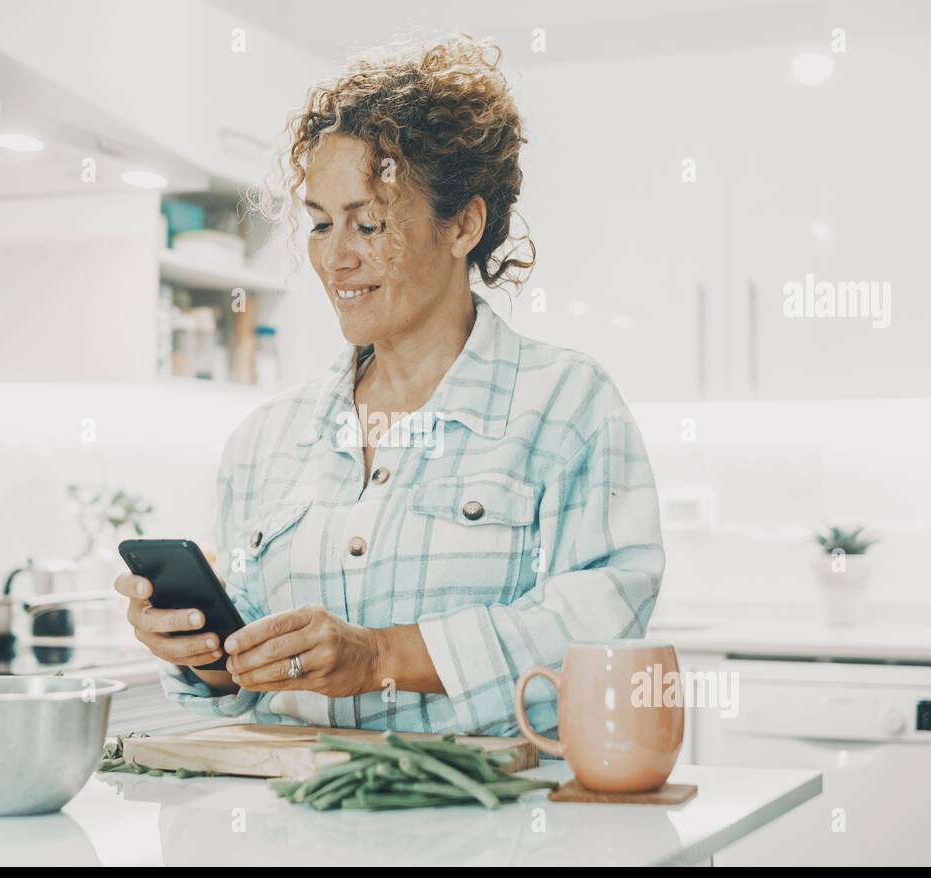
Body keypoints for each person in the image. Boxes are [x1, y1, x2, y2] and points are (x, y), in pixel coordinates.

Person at [115, 34, 664, 736]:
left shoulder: (566, 405)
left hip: (490, 832)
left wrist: (382, 656)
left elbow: (604, 622)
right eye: (318, 224)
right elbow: (246, 684)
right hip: (297, 827)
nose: (336, 257)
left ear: (464, 223)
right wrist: (205, 651)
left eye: (367, 224)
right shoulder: (267, 440)